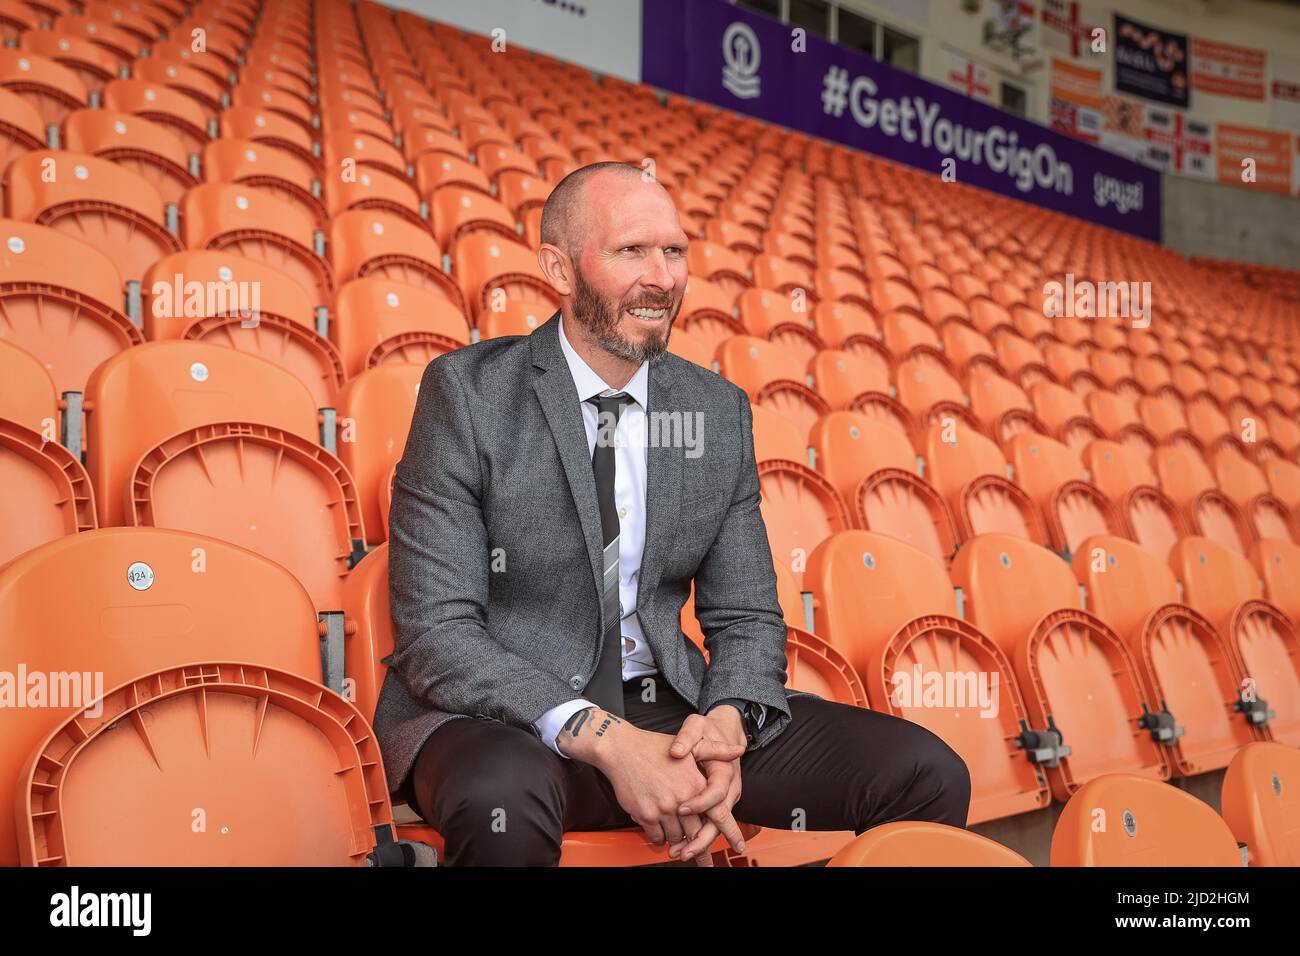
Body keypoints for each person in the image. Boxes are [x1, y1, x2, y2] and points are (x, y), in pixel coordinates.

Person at [373, 161, 971, 866]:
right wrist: (612, 742)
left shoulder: (714, 411)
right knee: (501, 800)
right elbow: (437, 634)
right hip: (506, 717)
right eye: (632, 251)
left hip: (668, 710)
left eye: (675, 251)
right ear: (560, 270)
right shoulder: (468, 394)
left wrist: (723, 726)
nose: (662, 277)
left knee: (928, 775)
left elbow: (746, 615)